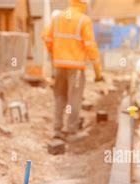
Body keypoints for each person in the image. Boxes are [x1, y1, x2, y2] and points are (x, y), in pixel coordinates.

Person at [42, 0, 103, 141]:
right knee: (74, 99)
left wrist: (54, 53)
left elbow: (46, 37)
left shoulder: (57, 17)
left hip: (59, 65)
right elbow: (90, 46)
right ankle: (72, 131)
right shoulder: (83, 20)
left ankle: (57, 130)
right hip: (76, 67)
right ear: (83, 4)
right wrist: (98, 72)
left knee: (59, 97)